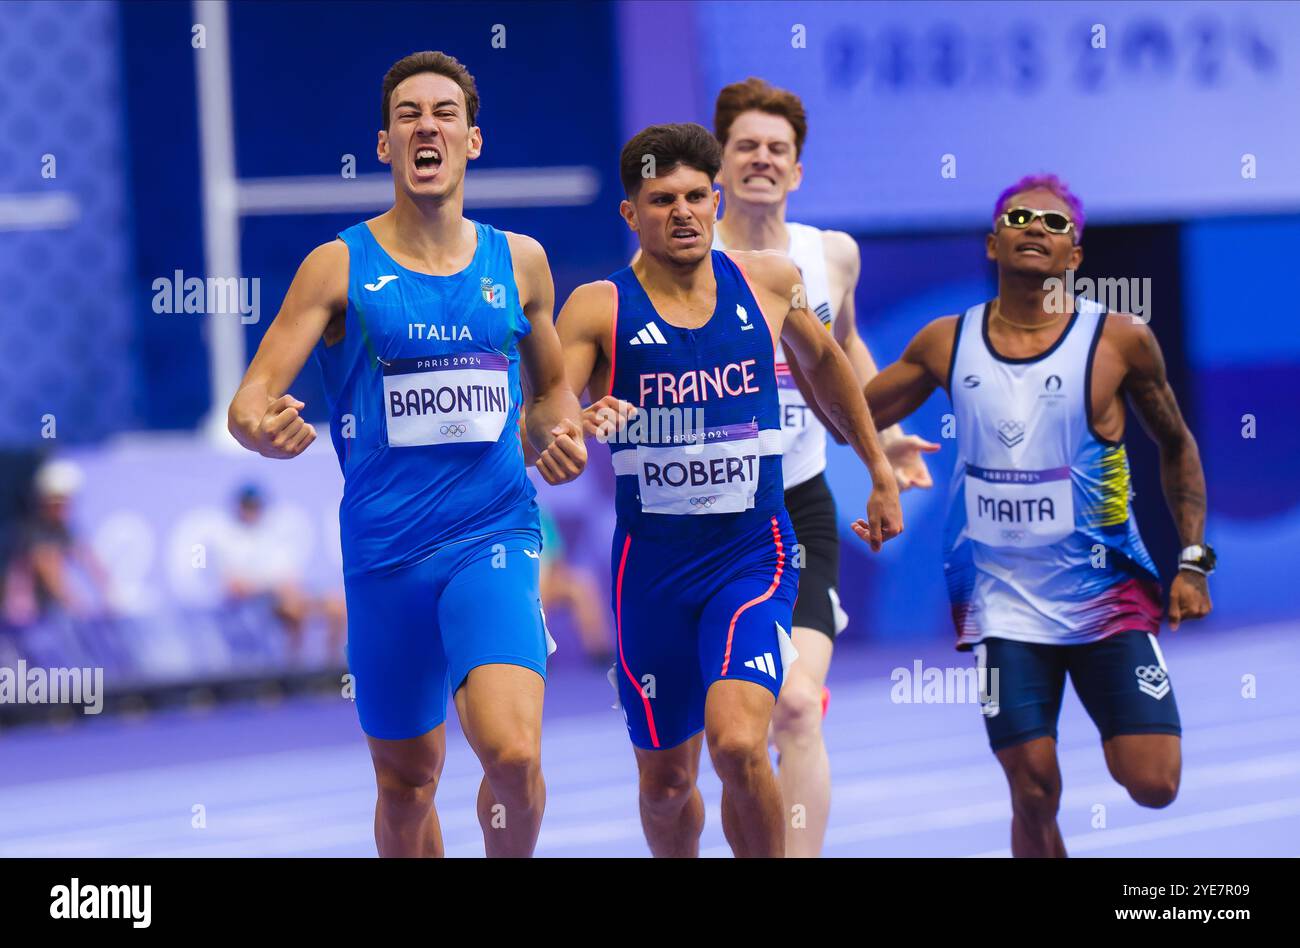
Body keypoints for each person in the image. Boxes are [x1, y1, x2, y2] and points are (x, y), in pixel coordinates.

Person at [227, 51, 586, 858]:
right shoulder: (339, 266)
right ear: (386, 145)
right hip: (385, 554)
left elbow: (552, 390)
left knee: (513, 752)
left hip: (492, 537)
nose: (428, 125)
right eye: (409, 114)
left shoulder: (521, 262)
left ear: (473, 139)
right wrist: (264, 430)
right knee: (407, 782)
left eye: (445, 112)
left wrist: (554, 437)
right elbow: (248, 403)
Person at [558, 122, 902, 857]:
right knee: (666, 785)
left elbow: (830, 366)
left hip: (753, 555)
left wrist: (875, 465)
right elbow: (545, 417)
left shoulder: (771, 281)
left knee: (741, 743)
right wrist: (578, 420)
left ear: (715, 201)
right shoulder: (596, 307)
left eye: (693, 197)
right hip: (648, 573)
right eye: (660, 200)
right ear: (631, 213)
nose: (680, 212)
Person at [864, 174, 1214, 857]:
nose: (1035, 228)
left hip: (1106, 598)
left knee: (1154, 783)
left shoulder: (1119, 340)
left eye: (1054, 224)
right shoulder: (945, 342)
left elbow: (1177, 444)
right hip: (1000, 606)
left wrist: (1194, 560)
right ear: (994, 243)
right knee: (1031, 789)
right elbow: (846, 411)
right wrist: (882, 458)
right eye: (1018, 218)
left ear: (1075, 256)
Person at [710, 77, 939, 856]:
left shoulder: (832, 253)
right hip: (705, 518)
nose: (762, 160)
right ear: (719, 161)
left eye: (778, 150)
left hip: (798, 506)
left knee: (798, 707)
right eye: (746, 147)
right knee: (711, 739)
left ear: (798, 170)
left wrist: (888, 434)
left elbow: (846, 349)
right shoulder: (681, 255)